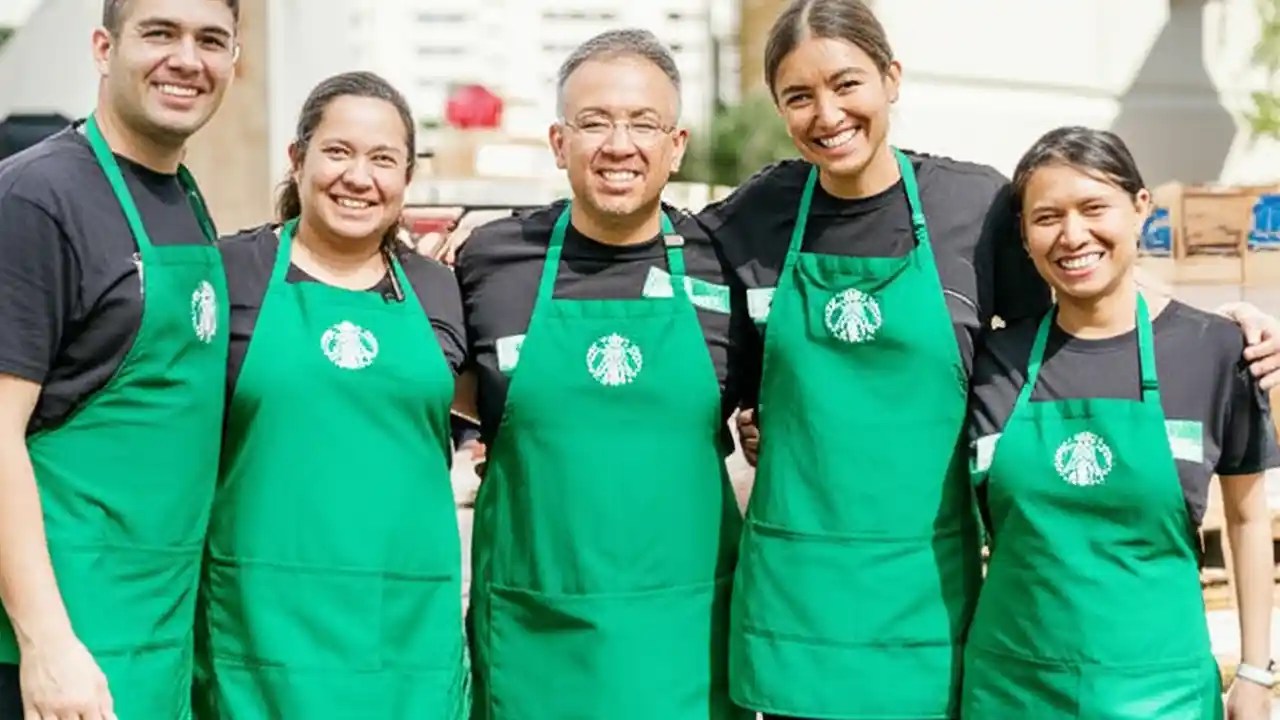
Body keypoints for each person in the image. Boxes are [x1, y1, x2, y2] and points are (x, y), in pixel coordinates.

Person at [695, 2, 1280, 719]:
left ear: (891, 78)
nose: (828, 112)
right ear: (780, 109)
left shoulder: (971, 206)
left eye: (847, 84)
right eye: (800, 96)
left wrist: (1209, 324)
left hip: (927, 596)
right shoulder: (759, 212)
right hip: (798, 594)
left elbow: (1080, 286)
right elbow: (662, 272)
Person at [458, 29, 755, 720]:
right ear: (559, 142)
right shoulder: (490, 260)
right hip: (536, 640)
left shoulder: (727, 263)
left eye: (643, 123)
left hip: (685, 643)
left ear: (675, 145)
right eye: (594, 122)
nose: (619, 144)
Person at [964, 126, 1278, 720]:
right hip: (1012, 689)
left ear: (1140, 210)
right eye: (1047, 217)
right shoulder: (990, 363)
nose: (1072, 234)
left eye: (1093, 208)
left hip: (1164, 695)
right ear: (1025, 239)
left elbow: (1246, 517)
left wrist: (1258, 672)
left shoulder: (1215, 351)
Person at [192, 71, 470, 718]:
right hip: (261, 637)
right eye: (338, 152)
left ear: (407, 176)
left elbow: (515, 409)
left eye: (382, 160)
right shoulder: (231, 273)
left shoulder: (442, 290)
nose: (358, 177)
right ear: (298, 159)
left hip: (406, 637)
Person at [0, 0, 238, 718]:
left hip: (154, 638)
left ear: (235, 62)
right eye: (159, 34)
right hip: (60, 651)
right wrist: (47, 645)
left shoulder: (184, 196)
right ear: (104, 47)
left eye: (211, 40)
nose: (187, 60)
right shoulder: (36, 197)